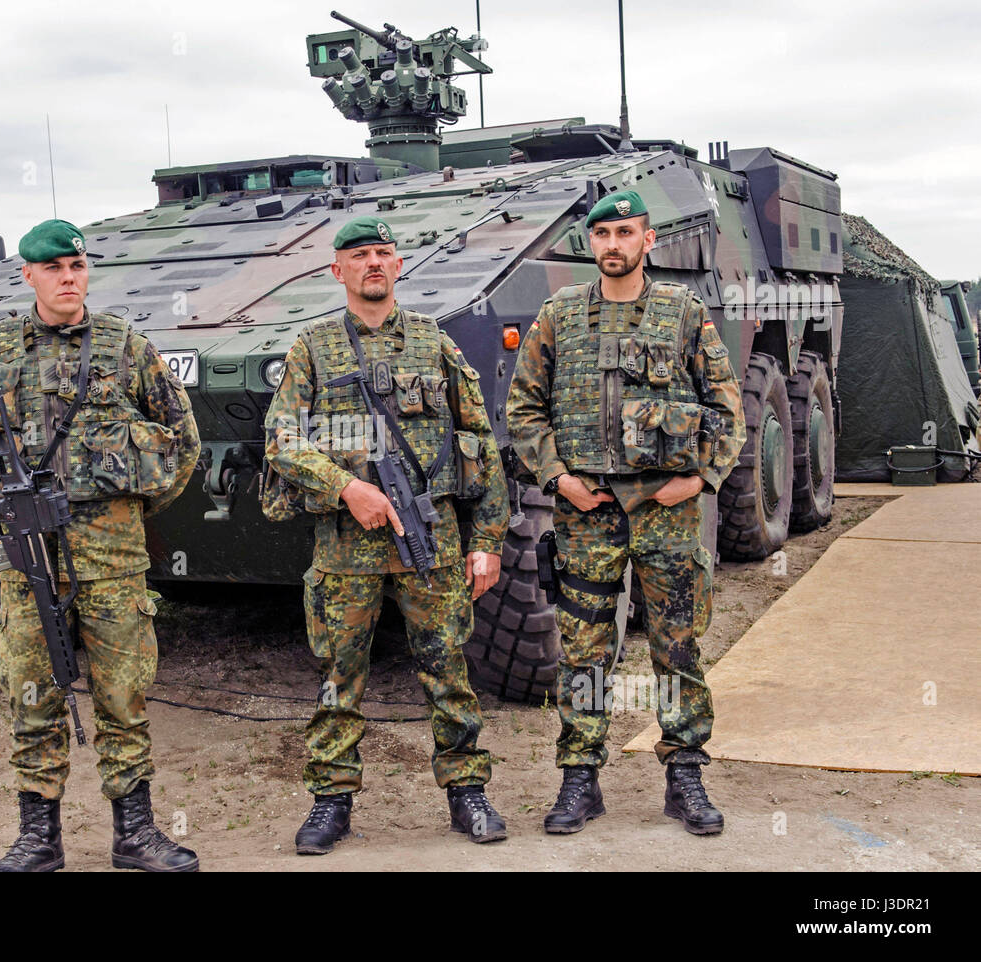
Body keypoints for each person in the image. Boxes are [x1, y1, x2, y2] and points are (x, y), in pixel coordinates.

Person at [0, 219, 201, 871]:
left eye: (77, 266)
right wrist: (2, 499)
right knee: (32, 692)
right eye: (53, 267)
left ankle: (136, 834)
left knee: (123, 694)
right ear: (27, 275)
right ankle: (39, 838)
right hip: (26, 556)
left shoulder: (123, 347)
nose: (68, 277)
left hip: (112, 556)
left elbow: (183, 439)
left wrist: (127, 499)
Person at [264, 215, 511, 854]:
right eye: (359, 255)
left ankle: (467, 791)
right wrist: (348, 487)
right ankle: (331, 801)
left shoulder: (435, 344)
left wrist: (487, 541)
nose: (373, 263)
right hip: (347, 547)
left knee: (447, 668)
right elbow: (281, 440)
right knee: (338, 676)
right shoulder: (313, 348)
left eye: (383, 253)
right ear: (337, 269)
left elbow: (482, 443)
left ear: (398, 266)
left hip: (431, 540)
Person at [506, 190, 746, 836]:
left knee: (677, 645)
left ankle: (685, 775)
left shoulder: (683, 314)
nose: (613, 244)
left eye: (625, 232)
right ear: (592, 244)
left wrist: (697, 479)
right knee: (583, 651)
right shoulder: (559, 316)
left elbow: (727, 410)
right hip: (586, 513)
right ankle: (580, 778)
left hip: (665, 508)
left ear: (649, 241)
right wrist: (558, 477)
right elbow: (523, 408)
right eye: (603, 234)